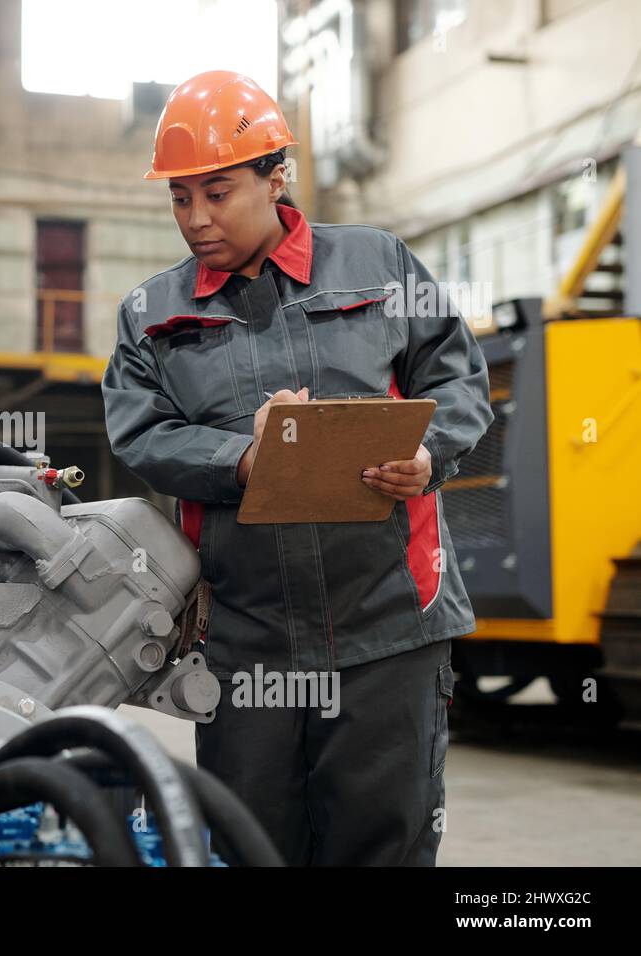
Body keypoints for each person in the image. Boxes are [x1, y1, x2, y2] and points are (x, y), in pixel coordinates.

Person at [101, 70, 493, 865]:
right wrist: (241, 458)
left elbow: (458, 381)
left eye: (217, 192)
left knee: (382, 847)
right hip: (250, 643)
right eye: (180, 199)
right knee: (254, 849)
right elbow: (138, 431)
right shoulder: (153, 316)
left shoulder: (378, 264)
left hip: (389, 626)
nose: (197, 219)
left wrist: (428, 453)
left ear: (275, 176)